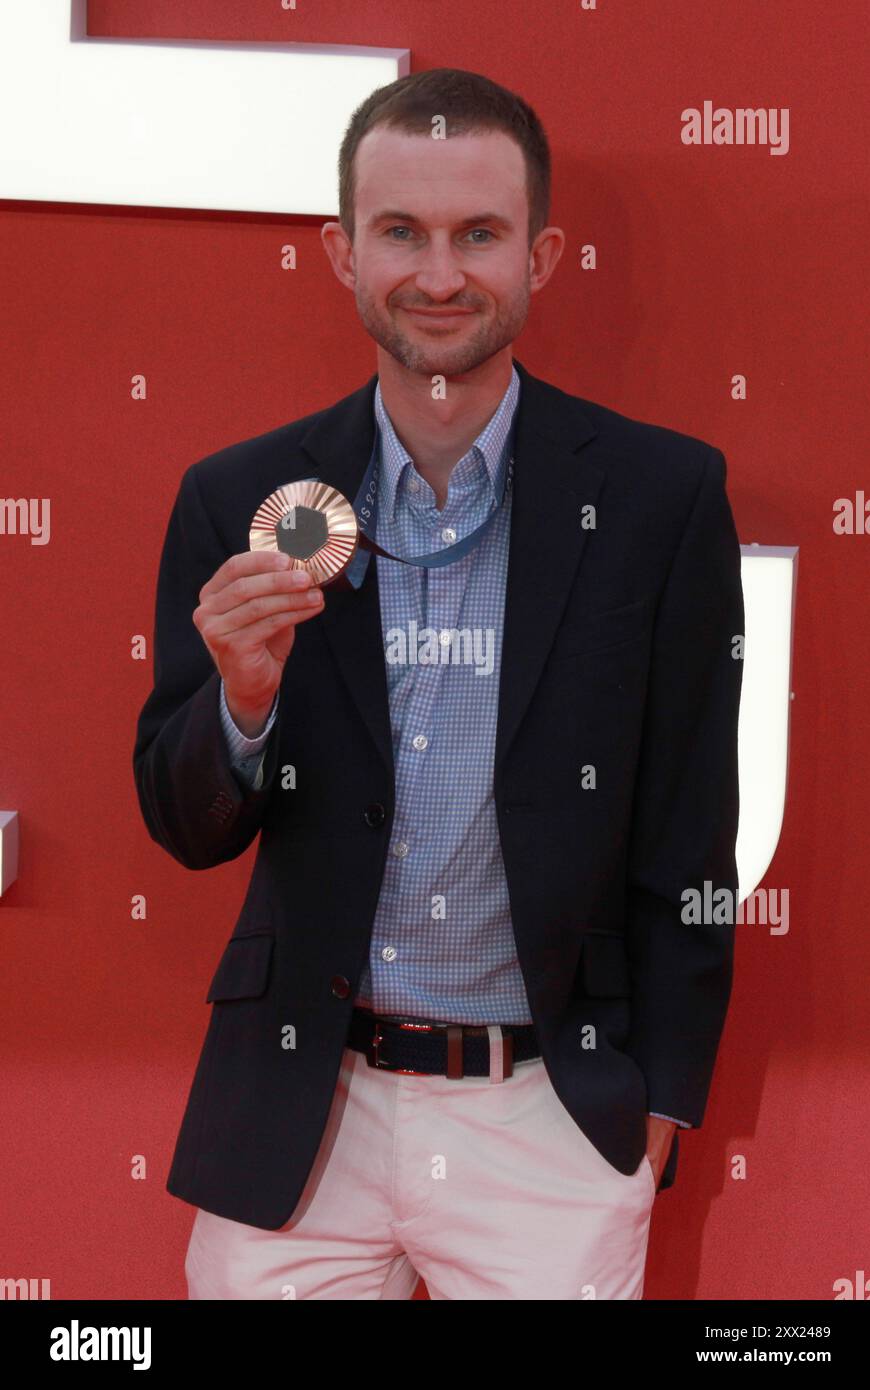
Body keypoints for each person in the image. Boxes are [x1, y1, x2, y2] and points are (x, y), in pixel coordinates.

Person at [133, 67, 744, 1300]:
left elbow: (690, 830)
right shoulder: (235, 495)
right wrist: (241, 706)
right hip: (301, 1105)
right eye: (399, 232)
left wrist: (660, 1104)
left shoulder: (658, 499)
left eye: (479, 234)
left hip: (547, 1117)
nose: (439, 272)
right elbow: (181, 822)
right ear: (339, 252)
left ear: (541, 254)